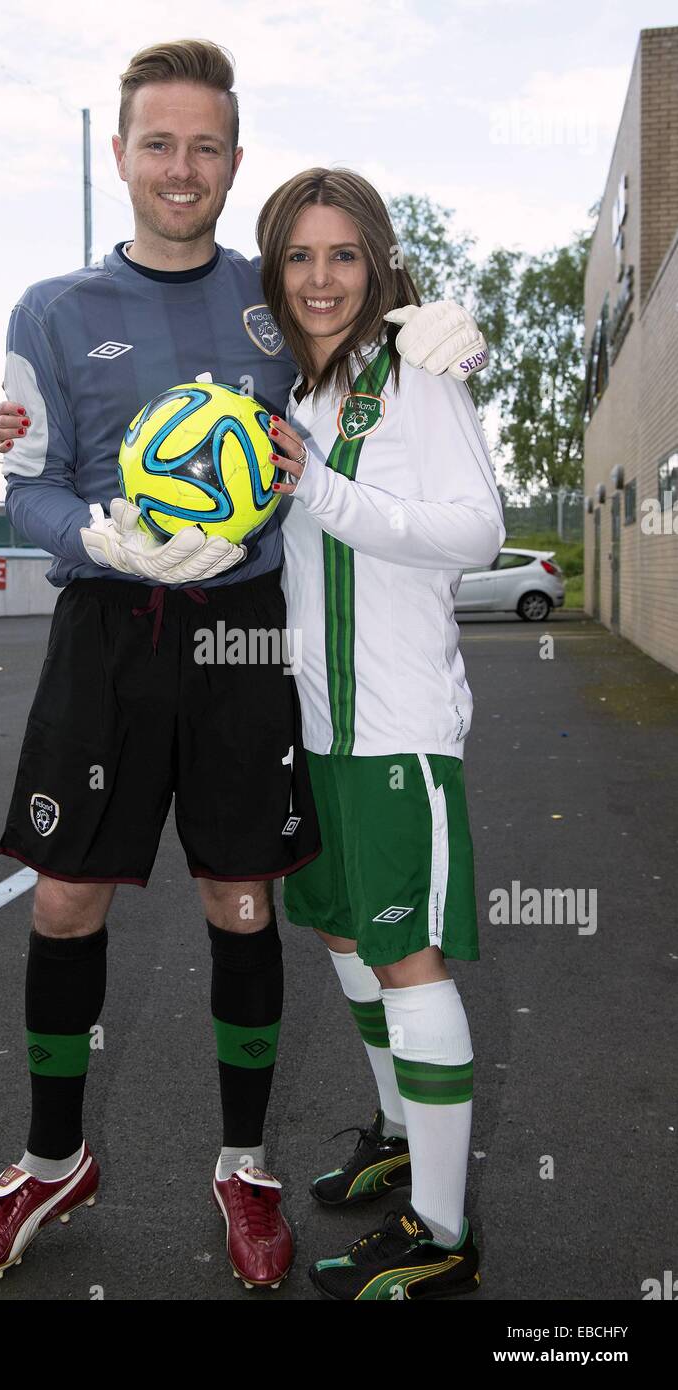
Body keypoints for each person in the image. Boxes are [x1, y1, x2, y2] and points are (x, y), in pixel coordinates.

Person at [0, 40, 490, 1295]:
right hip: (104, 629)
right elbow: (24, 483)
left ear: (233, 160)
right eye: (160, 143)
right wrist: (83, 534)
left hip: (245, 633)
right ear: (122, 157)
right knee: (63, 899)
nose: (183, 167)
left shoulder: (272, 296)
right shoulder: (51, 309)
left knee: (246, 899)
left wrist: (434, 334)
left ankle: (245, 1164)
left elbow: (349, 326)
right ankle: (51, 1161)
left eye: (207, 146)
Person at [256, 167, 505, 1300]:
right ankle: (402, 1131)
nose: (320, 278)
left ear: (379, 263)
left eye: (342, 255)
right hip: (325, 730)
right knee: (348, 938)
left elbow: (476, 531)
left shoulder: (417, 372)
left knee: (408, 955)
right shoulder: (305, 396)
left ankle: (443, 1230)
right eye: (300, 256)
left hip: (401, 729)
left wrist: (326, 492)